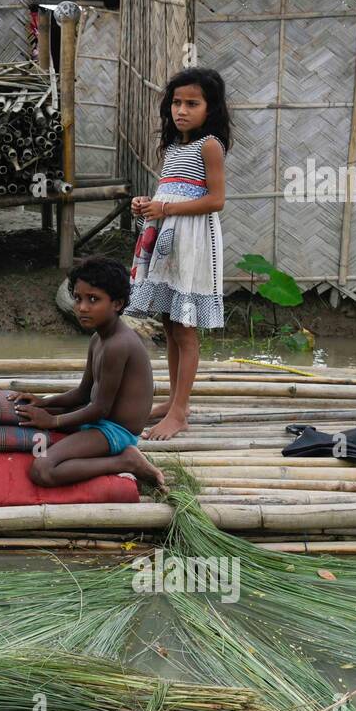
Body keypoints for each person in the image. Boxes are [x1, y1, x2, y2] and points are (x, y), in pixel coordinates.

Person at [126, 67, 230, 440]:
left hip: (193, 243)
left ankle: (180, 412)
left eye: (192, 103)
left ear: (210, 108)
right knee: (170, 324)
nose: (181, 110)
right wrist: (147, 204)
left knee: (185, 329)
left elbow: (215, 200)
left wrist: (165, 210)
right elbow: (169, 193)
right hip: (168, 239)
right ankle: (172, 401)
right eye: (176, 102)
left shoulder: (209, 146)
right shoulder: (173, 149)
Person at [10, 257, 164, 490]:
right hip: (100, 419)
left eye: (93, 299)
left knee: (42, 470)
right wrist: (44, 403)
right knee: (29, 414)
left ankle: (126, 461)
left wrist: (53, 420)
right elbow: (83, 393)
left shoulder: (118, 345)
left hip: (115, 430)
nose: (82, 307)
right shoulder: (98, 338)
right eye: (78, 299)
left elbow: (100, 408)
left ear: (117, 303)